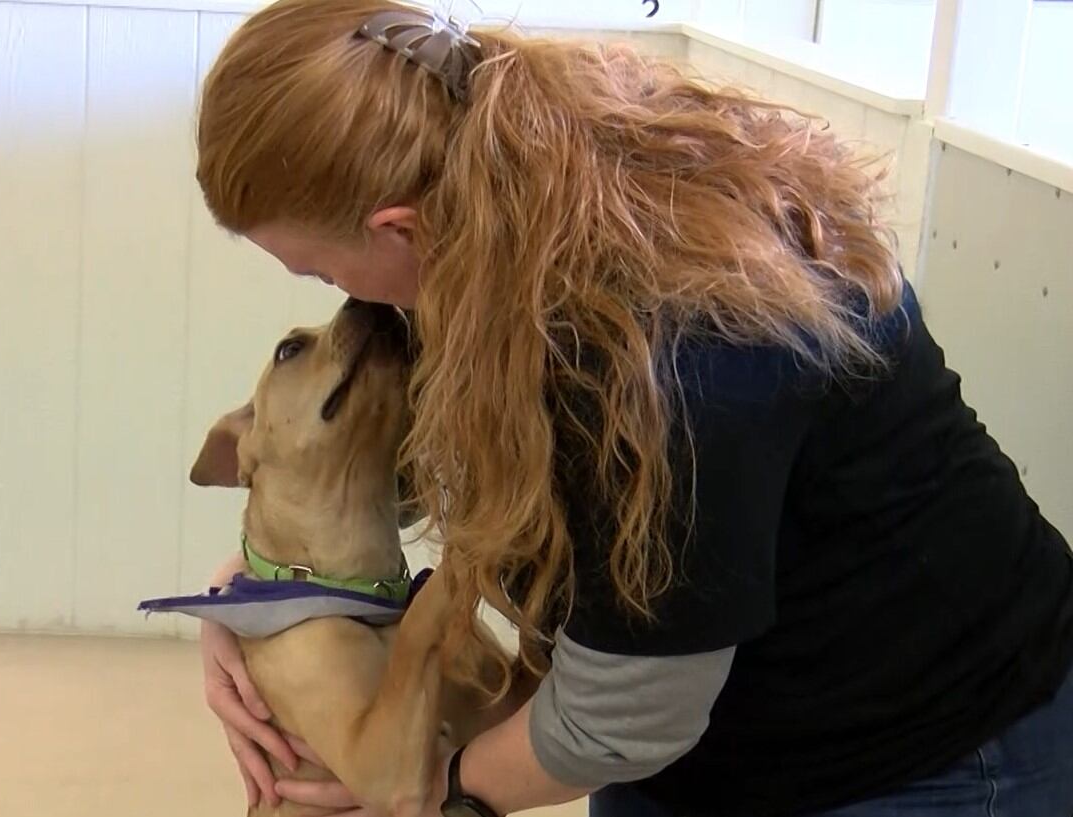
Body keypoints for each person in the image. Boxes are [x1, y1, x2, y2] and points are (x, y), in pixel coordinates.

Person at [191, 1, 1073, 815]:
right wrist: (262, 597)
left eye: (320, 273)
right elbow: (369, 460)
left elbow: (624, 719)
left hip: (930, 748)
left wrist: (448, 790)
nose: (342, 300)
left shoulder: (667, 349)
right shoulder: (503, 203)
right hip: (690, 722)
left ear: (399, 228)